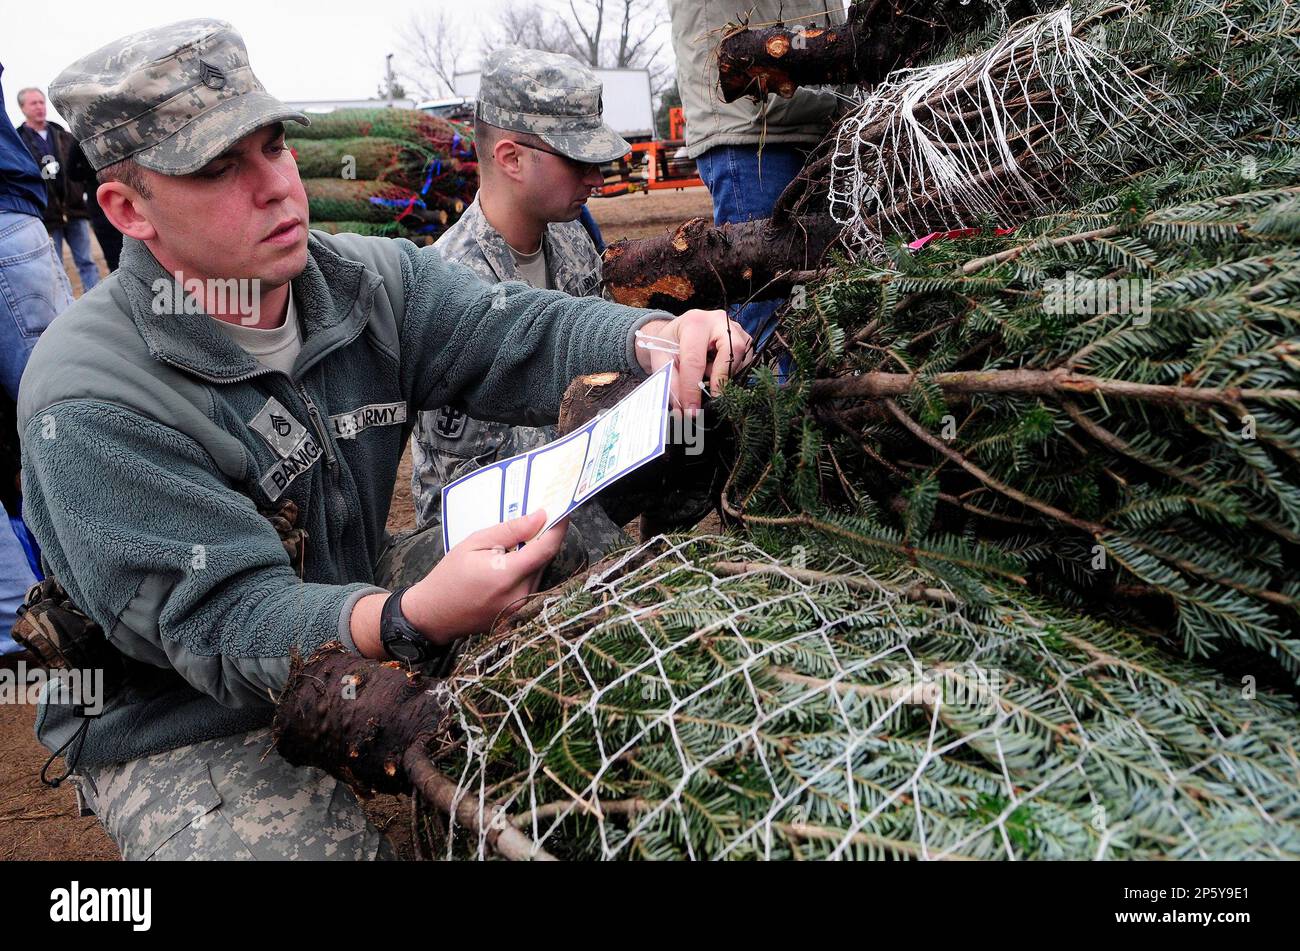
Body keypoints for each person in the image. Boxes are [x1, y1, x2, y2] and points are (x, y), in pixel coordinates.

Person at [17, 19, 750, 861]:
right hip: (184, 710)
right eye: (217, 168)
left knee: (569, 548)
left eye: (273, 145)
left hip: (351, 592)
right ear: (126, 209)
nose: (277, 186)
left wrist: (652, 340)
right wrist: (409, 616)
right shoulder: (92, 396)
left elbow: (511, 330)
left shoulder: (357, 281)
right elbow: (228, 621)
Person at [398, 49, 631, 590]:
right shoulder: (446, 283)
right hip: (487, 530)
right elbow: (472, 473)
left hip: (574, 476)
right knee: (613, 567)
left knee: (699, 440)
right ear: (511, 158)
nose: (597, 178)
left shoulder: (572, 241)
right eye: (578, 161)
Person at [668, 0, 843, 350]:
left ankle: (802, 382)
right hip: (752, 125)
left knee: (809, 295)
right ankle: (770, 385)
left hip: (820, 118)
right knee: (769, 305)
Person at [1, 62, 71, 655]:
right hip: (8, 225)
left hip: (6, 225)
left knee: (65, 417)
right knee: (64, 413)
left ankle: (23, 631)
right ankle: (83, 598)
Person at [15, 87, 100, 292]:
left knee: (87, 261)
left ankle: (96, 300)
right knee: (56, 266)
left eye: (41, 102)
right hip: (47, 215)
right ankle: (66, 305)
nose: (39, 107)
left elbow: (81, 167)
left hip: (75, 209)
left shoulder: (64, 135)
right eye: (33, 103)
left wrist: (79, 191)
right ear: (22, 108)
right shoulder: (18, 142)